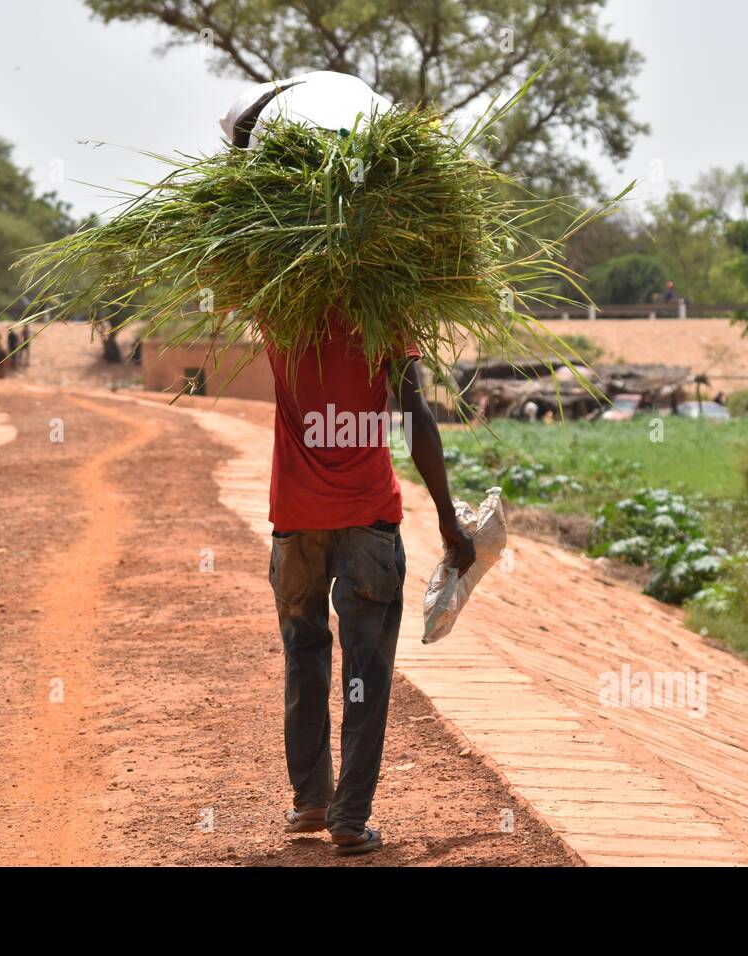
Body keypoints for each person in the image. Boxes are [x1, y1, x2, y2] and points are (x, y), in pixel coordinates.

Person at [220, 73, 476, 857]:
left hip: (296, 518)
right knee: (366, 671)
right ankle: (348, 819)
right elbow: (418, 416)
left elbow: (234, 237)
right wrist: (448, 517)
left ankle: (308, 806)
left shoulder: (277, 301)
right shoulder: (386, 312)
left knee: (305, 662)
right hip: (369, 516)